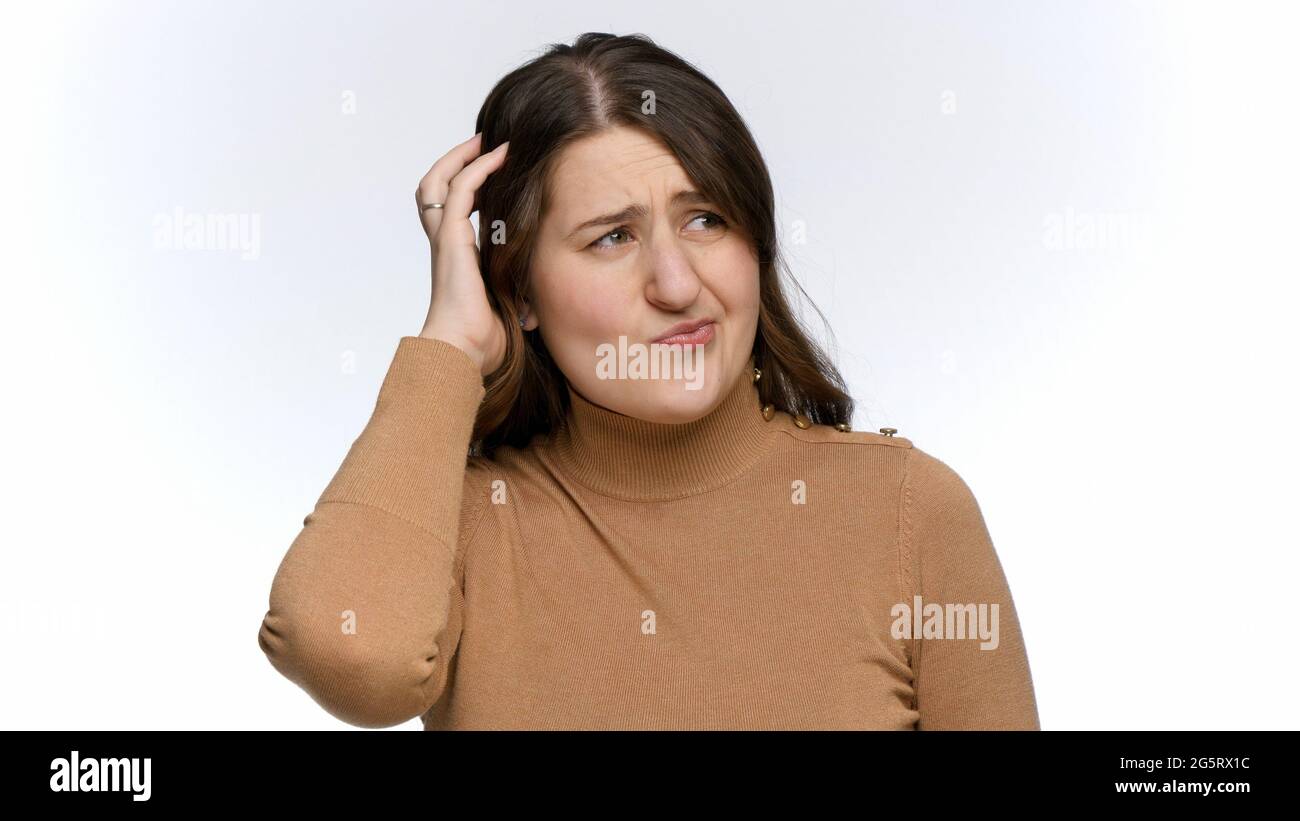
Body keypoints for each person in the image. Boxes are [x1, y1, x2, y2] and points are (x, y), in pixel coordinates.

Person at [256, 32, 1040, 730]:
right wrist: (450, 345)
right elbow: (351, 656)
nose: (676, 282)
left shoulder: (910, 512)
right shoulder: (463, 528)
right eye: (612, 237)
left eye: (706, 219)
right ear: (520, 291)